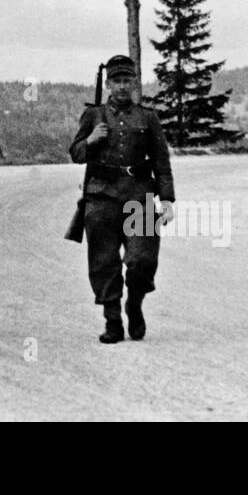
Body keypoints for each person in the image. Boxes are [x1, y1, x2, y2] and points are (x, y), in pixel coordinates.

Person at [68, 54, 176, 343]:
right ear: (108, 84)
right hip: (101, 196)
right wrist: (90, 141)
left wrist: (167, 200)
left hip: (139, 196)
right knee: (103, 263)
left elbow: (161, 161)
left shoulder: (148, 118)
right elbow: (76, 153)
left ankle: (135, 305)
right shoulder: (93, 116)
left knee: (142, 260)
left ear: (135, 83)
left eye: (127, 81)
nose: (122, 86)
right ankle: (113, 321)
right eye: (117, 81)